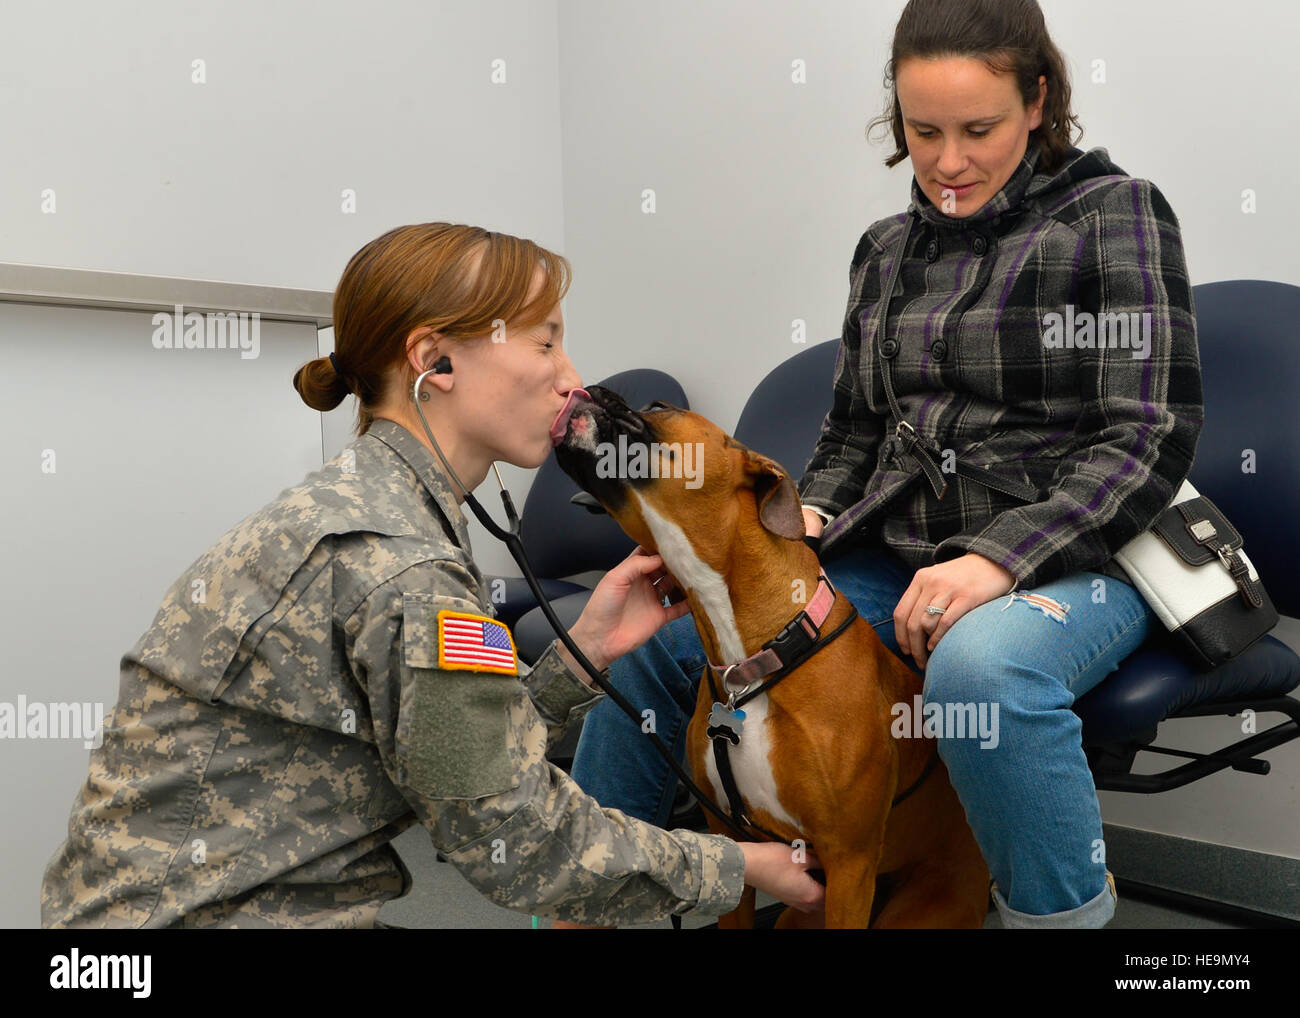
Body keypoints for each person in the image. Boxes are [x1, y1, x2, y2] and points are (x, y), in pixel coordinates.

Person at [568, 0, 1202, 929]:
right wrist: (803, 522)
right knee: (666, 650)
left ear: (1038, 100)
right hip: (899, 560)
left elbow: (1147, 435)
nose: (948, 162)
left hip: (1080, 560)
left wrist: (1000, 561)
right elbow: (853, 434)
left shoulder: (1115, 216)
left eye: (979, 129)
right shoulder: (885, 251)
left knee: (979, 677)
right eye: (924, 130)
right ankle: (581, 898)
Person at [40, 223, 825, 928]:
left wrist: (582, 655)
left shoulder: (365, 510)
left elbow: (449, 751)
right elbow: (515, 840)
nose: (571, 379)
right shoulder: (403, 567)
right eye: (545, 343)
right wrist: (744, 868)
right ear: (434, 360)